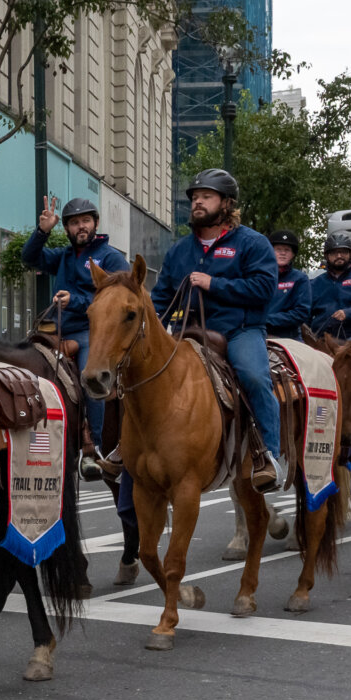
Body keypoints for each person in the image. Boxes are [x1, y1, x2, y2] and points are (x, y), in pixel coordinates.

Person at [149, 169, 283, 491]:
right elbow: (160, 298)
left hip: (238, 330)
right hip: (185, 332)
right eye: (194, 197)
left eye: (205, 196)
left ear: (226, 203)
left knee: (252, 375)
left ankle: (269, 457)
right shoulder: (179, 250)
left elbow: (265, 288)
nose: (197, 202)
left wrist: (214, 284)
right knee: (141, 372)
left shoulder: (252, 243)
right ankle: (125, 447)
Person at [22, 195, 130, 481]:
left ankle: (92, 449)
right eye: (73, 223)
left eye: (85, 221)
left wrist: (77, 301)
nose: (80, 227)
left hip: (87, 331)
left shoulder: (111, 258)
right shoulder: (65, 256)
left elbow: (118, 301)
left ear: (95, 223)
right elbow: (29, 258)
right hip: (53, 329)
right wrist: (42, 231)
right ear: (67, 229)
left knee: (90, 377)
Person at [308, 232, 351, 339]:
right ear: (327, 256)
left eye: (343, 252)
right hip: (322, 338)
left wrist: (350, 313)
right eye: (334, 253)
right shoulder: (315, 283)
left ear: (350, 254)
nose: (339, 256)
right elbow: (305, 312)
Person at [265, 229, 312, 341]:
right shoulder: (259, 276)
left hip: (289, 336)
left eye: (287, 250)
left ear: (293, 254)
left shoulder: (300, 279)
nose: (283, 253)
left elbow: (301, 312)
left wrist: (266, 319)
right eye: (278, 249)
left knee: (304, 358)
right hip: (257, 333)